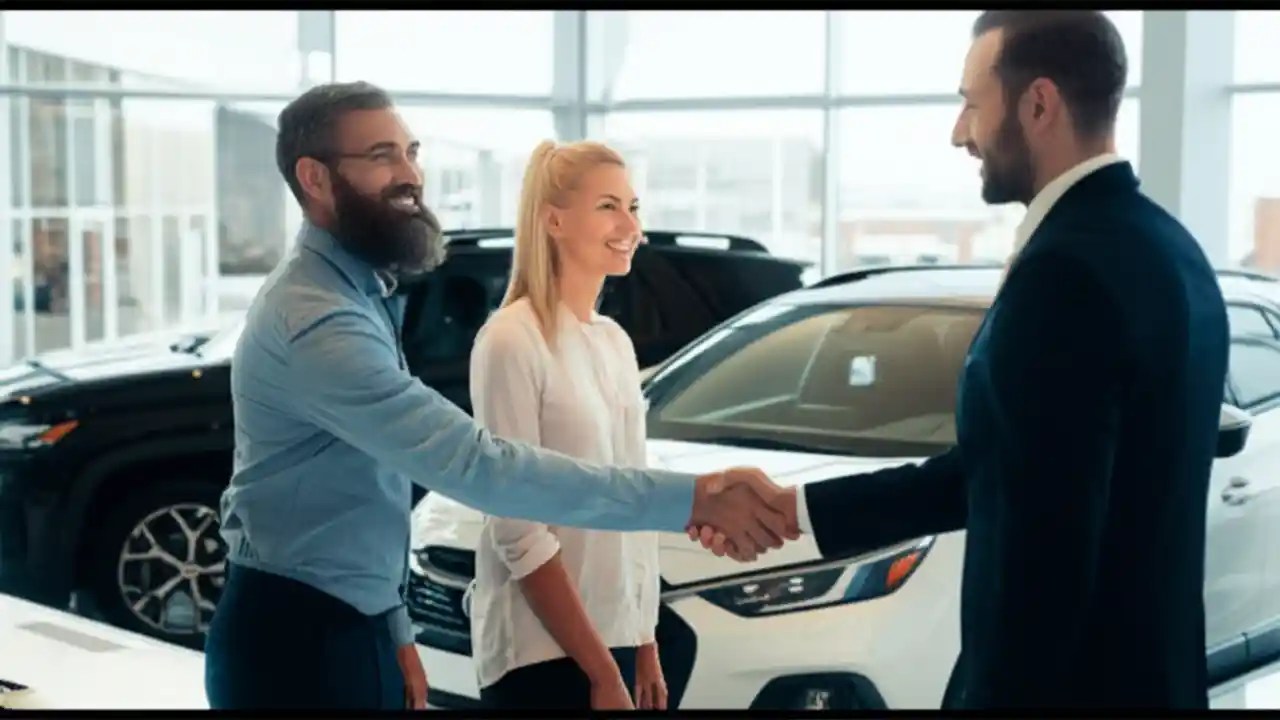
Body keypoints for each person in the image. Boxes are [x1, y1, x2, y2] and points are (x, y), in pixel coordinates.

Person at [202, 82, 799, 711]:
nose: (410, 175)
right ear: (315, 178)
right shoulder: (318, 320)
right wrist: (695, 499)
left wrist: (393, 628)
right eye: (382, 156)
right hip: (302, 637)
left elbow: (363, 497)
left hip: (348, 621)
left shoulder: (358, 292)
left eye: (412, 152)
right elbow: (480, 469)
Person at [694, 10, 1229, 710]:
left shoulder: (1063, 276)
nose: (959, 133)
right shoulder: (1175, 253)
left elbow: (1045, 560)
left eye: (972, 104)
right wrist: (794, 508)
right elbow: (1005, 474)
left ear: (1038, 104)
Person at [468, 141, 665, 711]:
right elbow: (517, 531)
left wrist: (642, 637)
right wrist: (602, 671)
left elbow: (637, 500)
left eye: (634, 206)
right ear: (553, 220)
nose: (631, 225)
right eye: (609, 206)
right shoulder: (511, 339)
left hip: (617, 640)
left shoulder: (613, 341)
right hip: (542, 655)